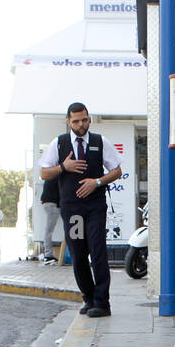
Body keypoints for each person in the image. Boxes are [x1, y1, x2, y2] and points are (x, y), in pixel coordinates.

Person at [37, 103, 122, 316]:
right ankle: (89, 297)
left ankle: (102, 303)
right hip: (72, 208)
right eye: (76, 121)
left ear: (89, 119)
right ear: (68, 122)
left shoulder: (99, 141)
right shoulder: (59, 143)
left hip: (94, 206)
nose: (81, 124)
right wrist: (63, 167)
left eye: (84, 120)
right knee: (78, 253)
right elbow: (44, 173)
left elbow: (117, 170)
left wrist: (97, 182)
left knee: (97, 250)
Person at [37, 173, 62, 265]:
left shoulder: (50, 175)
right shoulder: (59, 176)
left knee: (49, 230)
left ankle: (48, 254)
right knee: (49, 230)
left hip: (46, 202)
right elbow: (61, 191)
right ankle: (48, 254)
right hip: (53, 203)